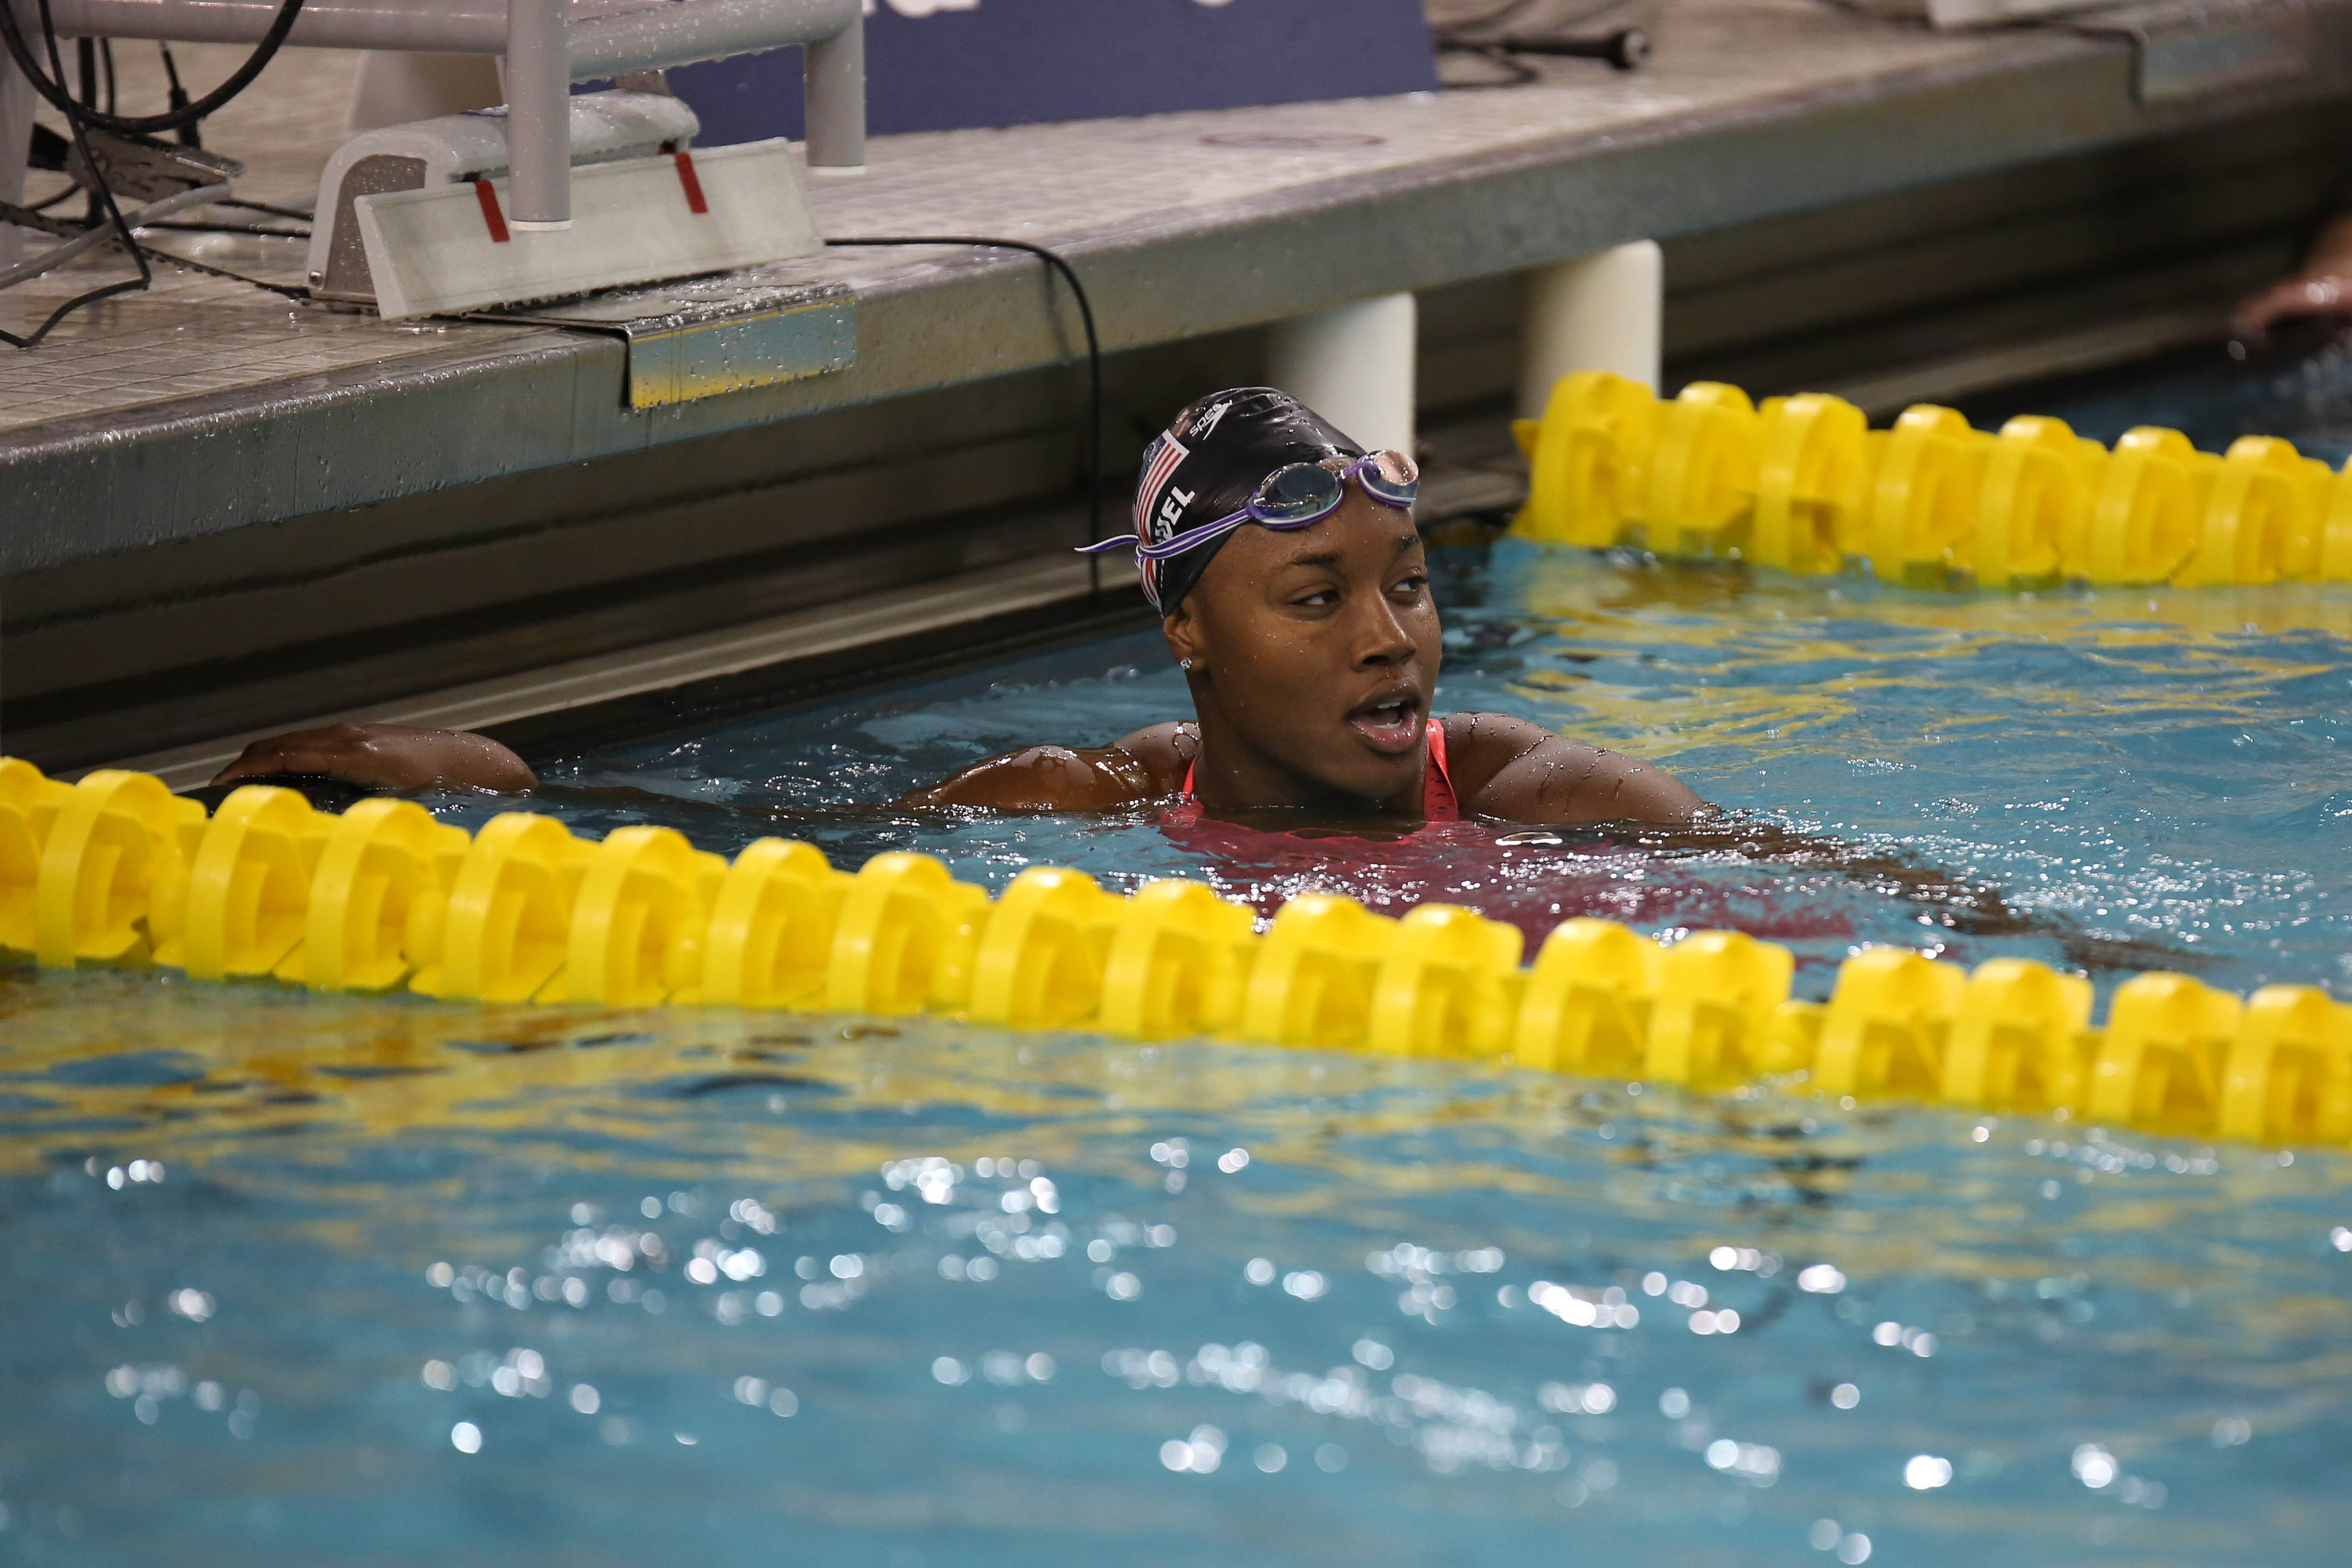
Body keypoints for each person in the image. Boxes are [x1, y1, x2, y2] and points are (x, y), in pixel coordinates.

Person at [214, 387, 1706, 829]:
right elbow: (744, 845)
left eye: (1410, 586)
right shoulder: (1074, 802)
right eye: (1316, 597)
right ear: (1184, 629)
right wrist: (492, 786)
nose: (1394, 636)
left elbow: (1878, 890)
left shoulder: (1535, 793)